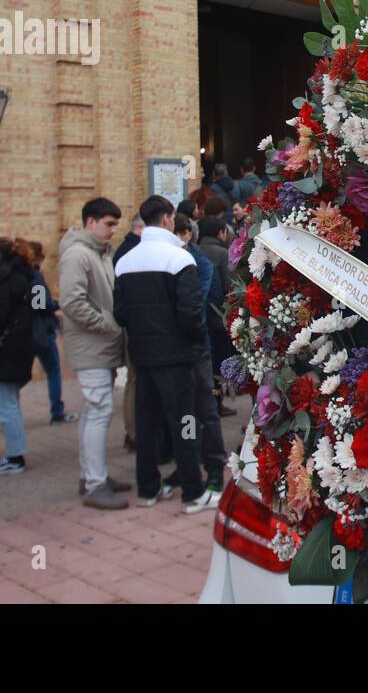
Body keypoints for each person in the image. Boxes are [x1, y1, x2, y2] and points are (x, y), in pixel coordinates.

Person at [113, 196, 219, 514]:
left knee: (147, 425)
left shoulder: (125, 261)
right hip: (177, 356)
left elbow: (120, 314)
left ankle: (148, 489)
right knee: (184, 423)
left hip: (143, 355)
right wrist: (194, 339)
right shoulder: (178, 258)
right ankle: (192, 492)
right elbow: (191, 313)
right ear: (168, 218)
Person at [60, 197, 133, 510]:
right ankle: (95, 483)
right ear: (90, 222)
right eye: (108, 224)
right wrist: (108, 325)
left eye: (115, 224)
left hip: (100, 346)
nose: (113, 231)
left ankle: (92, 474)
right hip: (91, 346)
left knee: (95, 412)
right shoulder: (78, 254)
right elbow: (72, 302)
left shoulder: (99, 252)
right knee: (99, 410)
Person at [0, 237, 39, 477]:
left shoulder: (3, 280)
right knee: (10, 402)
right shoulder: (29, 276)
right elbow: (39, 305)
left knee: (4, 404)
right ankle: (16, 453)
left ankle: (15, 456)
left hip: (4, 350)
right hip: (22, 345)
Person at [173, 213, 227, 490]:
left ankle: (214, 464)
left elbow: (197, 304)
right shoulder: (168, 259)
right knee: (186, 411)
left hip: (196, 344)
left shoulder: (200, 263)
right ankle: (190, 460)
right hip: (177, 347)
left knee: (205, 408)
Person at [30, 242, 76, 425]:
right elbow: (40, 304)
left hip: (28, 331)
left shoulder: (20, 275)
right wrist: (57, 304)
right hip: (42, 330)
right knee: (53, 371)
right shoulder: (35, 277)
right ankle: (57, 411)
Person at [197, 217, 237, 414]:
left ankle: (207, 402)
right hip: (218, 316)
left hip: (200, 314)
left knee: (207, 361)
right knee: (219, 363)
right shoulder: (223, 253)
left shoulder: (195, 251)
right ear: (221, 233)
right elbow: (229, 285)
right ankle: (217, 402)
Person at [113, 213, 144, 450]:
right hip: (135, 329)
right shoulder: (130, 253)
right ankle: (134, 432)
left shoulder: (123, 250)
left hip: (132, 327)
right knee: (134, 380)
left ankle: (133, 431)